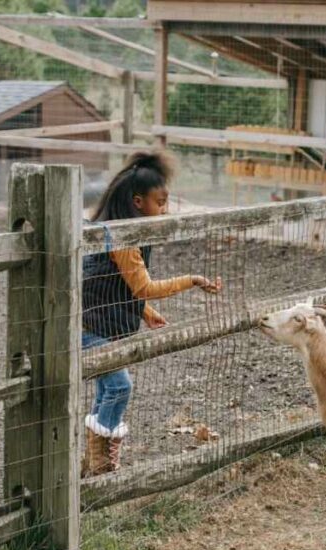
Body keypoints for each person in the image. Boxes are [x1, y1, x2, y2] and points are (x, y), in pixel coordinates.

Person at [81, 151, 221, 477]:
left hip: (103, 321)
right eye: (161, 202)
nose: (165, 209)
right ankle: (103, 465)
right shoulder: (123, 237)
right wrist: (192, 280)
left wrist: (144, 311)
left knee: (107, 389)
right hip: (92, 326)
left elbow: (119, 286)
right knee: (119, 387)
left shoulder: (128, 232)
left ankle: (94, 464)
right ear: (138, 201)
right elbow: (142, 286)